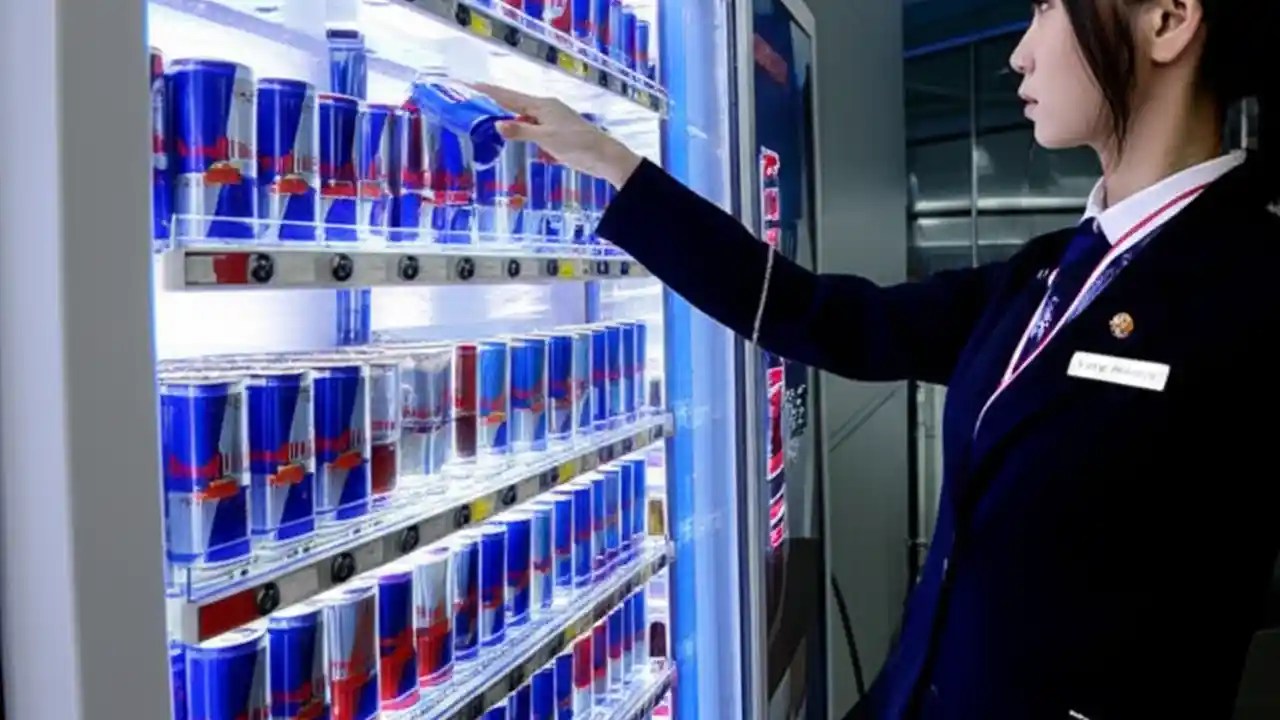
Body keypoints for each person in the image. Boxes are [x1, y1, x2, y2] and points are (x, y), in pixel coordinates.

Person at [478, 0, 1279, 716]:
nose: (1019, 54)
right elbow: (832, 319)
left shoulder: (1252, 290)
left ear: (1168, 21)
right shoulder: (1049, 270)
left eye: (1044, 9)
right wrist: (617, 171)